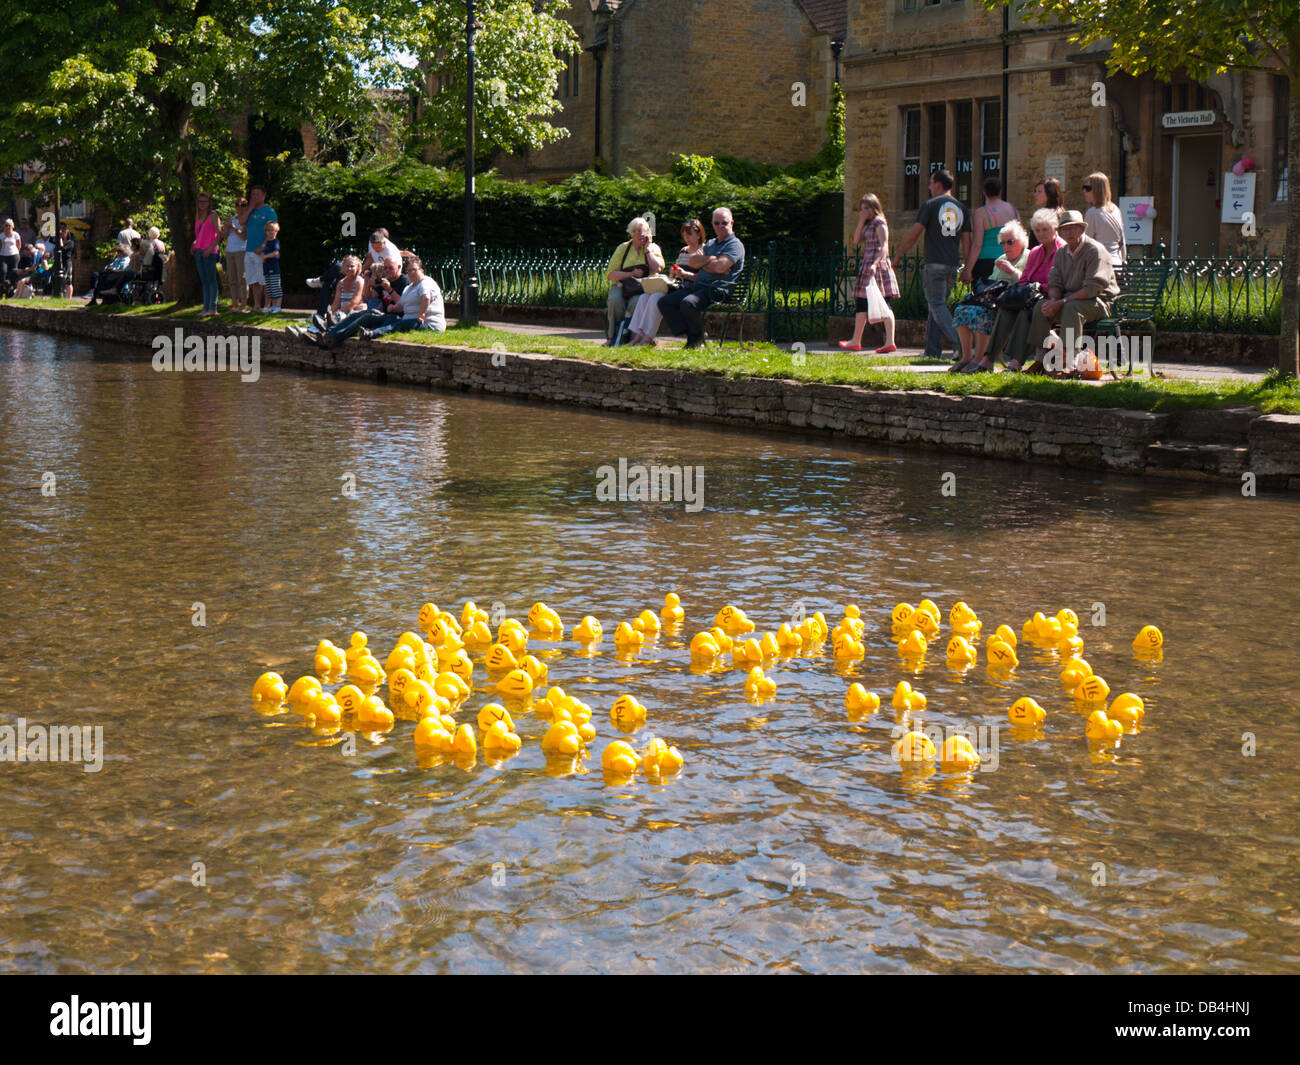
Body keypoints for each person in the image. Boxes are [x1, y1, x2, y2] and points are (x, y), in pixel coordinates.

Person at [1024, 209, 1120, 373]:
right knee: (1042, 306)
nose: (1068, 232)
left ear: (1082, 229)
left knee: (1071, 308)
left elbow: (1093, 288)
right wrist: (1053, 300)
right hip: (1072, 300)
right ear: (1060, 232)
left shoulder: (1095, 250)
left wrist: (1062, 302)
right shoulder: (1062, 252)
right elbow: (1055, 282)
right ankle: (1040, 359)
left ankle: (1071, 361)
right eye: (1064, 229)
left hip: (1101, 302)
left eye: (1072, 228)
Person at [891, 169, 971, 361]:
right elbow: (966, 241)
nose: (928, 187)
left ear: (938, 185)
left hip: (935, 262)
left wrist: (899, 254)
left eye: (930, 183)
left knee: (936, 304)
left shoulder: (930, 205)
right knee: (936, 306)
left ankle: (961, 345)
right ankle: (932, 350)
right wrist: (967, 267)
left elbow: (914, 233)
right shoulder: (962, 208)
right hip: (952, 264)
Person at [658, 207, 745, 349]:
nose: (720, 226)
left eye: (724, 222)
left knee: (688, 303)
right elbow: (692, 261)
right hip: (699, 286)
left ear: (732, 223)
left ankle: (695, 340)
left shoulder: (735, 245)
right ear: (712, 224)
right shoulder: (711, 244)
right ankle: (696, 333)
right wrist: (711, 259)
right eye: (717, 223)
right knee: (665, 302)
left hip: (718, 289)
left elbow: (720, 268)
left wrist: (704, 262)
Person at [990, 209, 1065, 371]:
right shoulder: (1036, 252)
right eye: (1037, 230)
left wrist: (1037, 287)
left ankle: (1016, 362)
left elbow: (1061, 283)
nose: (1041, 234)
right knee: (1006, 309)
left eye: (1045, 229)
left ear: (1055, 228)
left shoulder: (1062, 251)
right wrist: (1028, 288)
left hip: (1052, 298)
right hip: (1031, 296)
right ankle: (987, 359)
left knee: (1026, 313)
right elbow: (1024, 278)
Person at [951, 219, 1029, 373]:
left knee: (982, 314)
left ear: (1022, 240)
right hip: (995, 300)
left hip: (1013, 303)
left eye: (1010, 242)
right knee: (962, 310)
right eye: (1002, 243)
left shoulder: (1029, 256)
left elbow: (1029, 283)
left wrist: (1012, 272)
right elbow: (992, 284)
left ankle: (980, 359)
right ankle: (966, 357)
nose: (1005, 246)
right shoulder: (1001, 259)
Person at [625, 219, 704, 346]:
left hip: (690, 288)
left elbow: (703, 277)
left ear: (699, 234)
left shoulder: (704, 251)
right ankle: (636, 337)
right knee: (644, 297)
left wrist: (685, 274)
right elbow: (675, 273)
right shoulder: (684, 250)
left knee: (655, 298)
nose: (686, 238)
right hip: (677, 287)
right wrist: (674, 272)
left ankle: (647, 338)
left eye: (689, 234)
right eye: (684, 235)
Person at [839, 193, 899, 353]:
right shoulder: (867, 224)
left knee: (884, 304)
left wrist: (875, 263)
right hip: (867, 266)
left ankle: (889, 341)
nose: (864, 211)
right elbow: (856, 240)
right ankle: (855, 340)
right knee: (861, 302)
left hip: (877, 266)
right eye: (862, 208)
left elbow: (884, 246)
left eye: (867, 208)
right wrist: (861, 220)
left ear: (874, 207)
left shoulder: (880, 223)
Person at [604, 217, 663, 344]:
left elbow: (657, 268)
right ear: (631, 233)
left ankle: (632, 339)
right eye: (638, 231)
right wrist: (631, 274)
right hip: (621, 285)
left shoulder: (653, 248)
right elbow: (610, 274)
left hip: (643, 288)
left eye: (645, 231)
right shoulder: (623, 248)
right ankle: (612, 337)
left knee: (636, 302)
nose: (642, 234)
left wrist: (647, 250)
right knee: (615, 300)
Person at [963, 179, 1019, 284]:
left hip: (986, 261)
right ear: (1000, 192)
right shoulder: (1013, 210)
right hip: (1010, 260)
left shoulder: (981, 213)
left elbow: (977, 244)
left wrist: (967, 269)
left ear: (984, 192)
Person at [243, 186, 277, 312]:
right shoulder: (249, 211)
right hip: (249, 249)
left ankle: (267, 305)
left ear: (264, 196)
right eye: (252, 194)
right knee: (253, 279)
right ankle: (257, 304)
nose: (255, 197)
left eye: (257, 194)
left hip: (263, 250)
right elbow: (241, 221)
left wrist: (263, 245)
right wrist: (250, 207)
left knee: (265, 279)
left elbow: (273, 231)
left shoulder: (269, 211)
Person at [1082, 171, 1126, 267]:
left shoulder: (1092, 213)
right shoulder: (1115, 209)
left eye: (1088, 188)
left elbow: (1085, 242)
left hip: (1100, 264)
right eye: (1083, 188)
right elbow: (1122, 241)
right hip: (1117, 263)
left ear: (1098, 190)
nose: (1084, 191)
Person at [192, 191, 223, 315]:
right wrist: (194, 244)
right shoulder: (198, 216)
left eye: (205, 201)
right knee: (204, 281)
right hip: (199, 251)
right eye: (200, 201)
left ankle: (212, 308)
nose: (202, 204)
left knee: (211, 280)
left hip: (209, 252)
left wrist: (210, 249)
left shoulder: (213, 215)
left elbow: (219, 234)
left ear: (209, 202)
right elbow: (200, 234)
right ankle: (205, 308)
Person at [221, 197, 249, 312]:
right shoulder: (231, 218)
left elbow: (244, 236)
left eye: (242, 205)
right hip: (229, 250)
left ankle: (243, 306)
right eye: (237, 204)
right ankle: (235, 306)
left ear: (246, 206)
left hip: (241, 250)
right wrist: (226, 228)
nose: (239, 207)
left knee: (242, 279)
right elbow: (225, 235)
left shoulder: (247, 219)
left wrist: (234, 228)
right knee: (232, 279)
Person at [258, 220, 283, 312]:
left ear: (276, 231)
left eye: (272, 230)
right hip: (267, 269)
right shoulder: (267, 243)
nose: (270, 232)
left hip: (274, 269)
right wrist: (263, 257)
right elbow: (263, 253)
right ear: (265, 232)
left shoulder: (275, 241)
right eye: (268, 230)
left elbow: (276, 253)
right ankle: (273, 306)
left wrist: (265, 256)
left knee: (276, 287)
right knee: (270, 288)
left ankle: (278, 306)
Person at [0, 218, 21, 298]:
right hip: (3, 255)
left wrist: (17, 253)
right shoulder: (1, 235)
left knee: (13, 272)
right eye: (6, 225)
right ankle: (2, 289)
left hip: (14, 255)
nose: (7, 227)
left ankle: (12, 291)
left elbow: (19, 245)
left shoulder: (16, 234)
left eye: (9, 225)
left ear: (12, 226)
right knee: (3, 271)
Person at [54, 222, 75, 298]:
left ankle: (69, 298)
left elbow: (63, 249)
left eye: (63, 233)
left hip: (67, 263)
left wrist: (60, 240)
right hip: (60, 263)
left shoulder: (70, 243)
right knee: (61, 281)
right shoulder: (59, 242)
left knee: (68, 281)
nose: (62, 234)